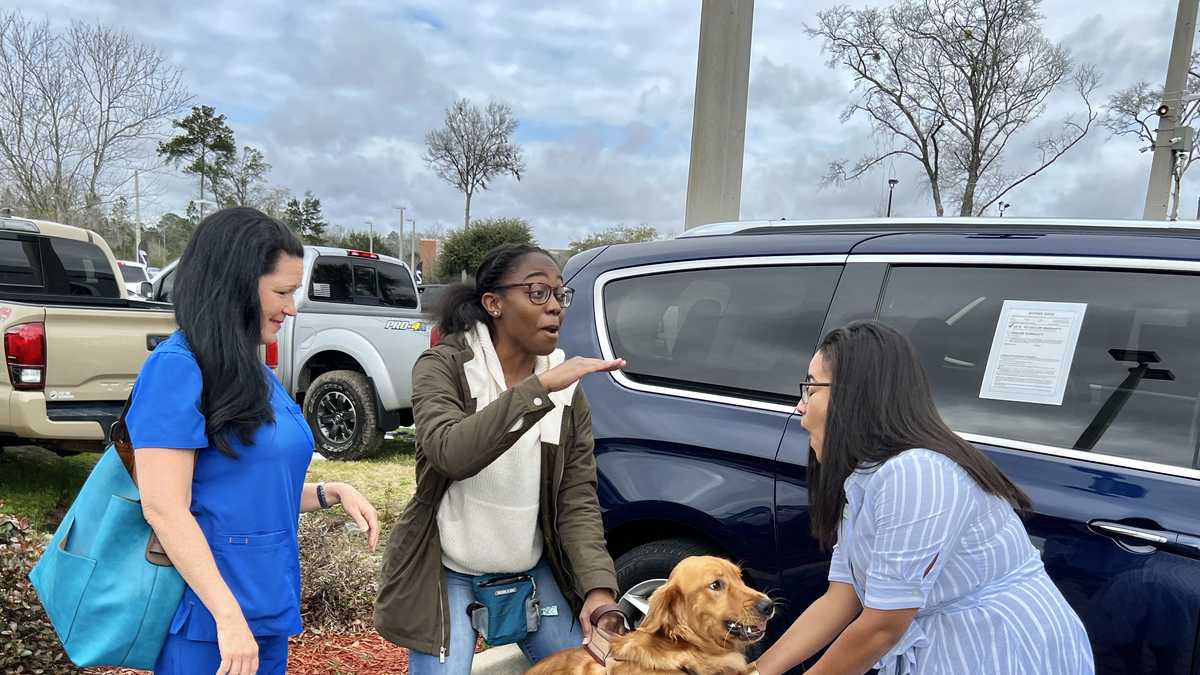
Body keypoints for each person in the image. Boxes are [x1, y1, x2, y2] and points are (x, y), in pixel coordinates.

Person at [755, 321, 1094, 675]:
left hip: (999, 649)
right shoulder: (864, 475)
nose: (799, 406)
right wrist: (757, 672)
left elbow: (881, 627)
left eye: (811, 387)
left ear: (854, 394)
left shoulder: (916, 473)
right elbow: (841, 599)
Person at [129, 208, 380, 675]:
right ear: (234, 286)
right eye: (282, 292)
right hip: (208, 620)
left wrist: (330, 492)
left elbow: (244, 487)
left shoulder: (253, 372)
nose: (291, 307)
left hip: (265, 606)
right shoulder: (177, 369)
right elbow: (164, 507)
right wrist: (227, 617)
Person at [375, 243, 625, 673]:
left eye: (560, 295)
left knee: (593, 669)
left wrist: (599, 591)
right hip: (449, 570)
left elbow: (576, 499)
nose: (555, 309)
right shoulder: (445, 367)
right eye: (537, 293)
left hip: (528, 571)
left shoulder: (564, 385)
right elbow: (449, 452)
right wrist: (537, 390)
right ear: (493, 303)